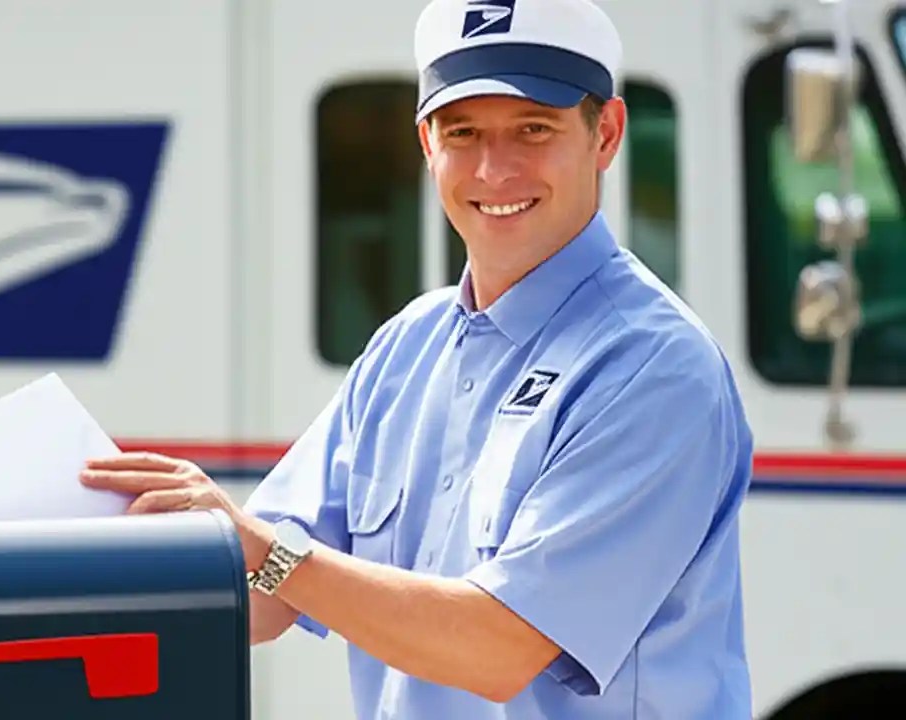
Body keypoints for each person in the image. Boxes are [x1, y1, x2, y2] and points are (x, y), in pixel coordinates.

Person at [80, 0, 755, 716]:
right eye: (463, 132)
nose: (495, 169)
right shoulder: (409, 347)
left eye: (534, 128)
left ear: (606, 133)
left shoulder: (653, 366)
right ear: (427, 144)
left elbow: (498, 648)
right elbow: (264, 599)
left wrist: (255, 545)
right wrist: (82, 565)